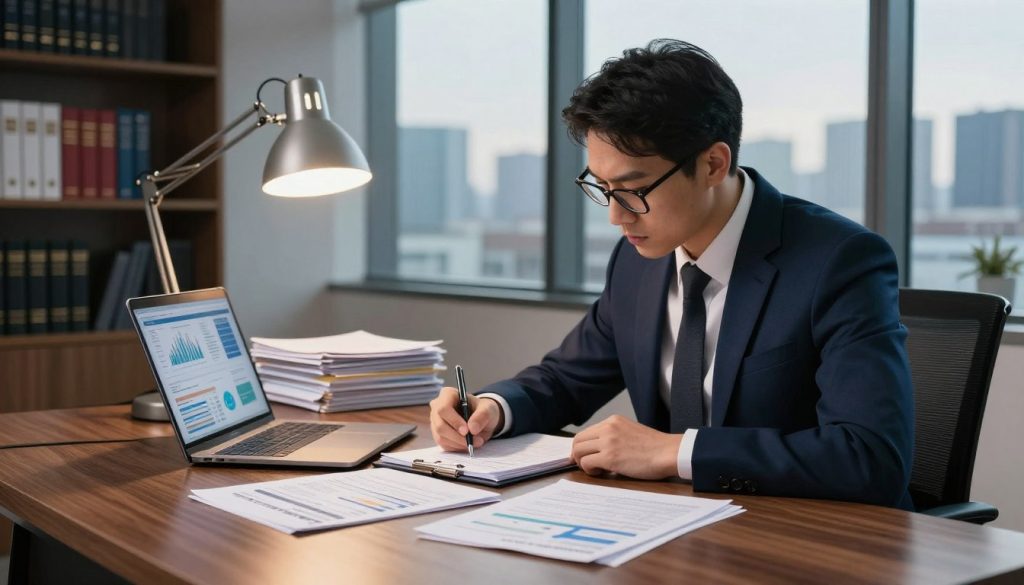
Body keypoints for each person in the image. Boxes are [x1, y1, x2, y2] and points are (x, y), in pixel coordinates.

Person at [429, 39, 914, 509]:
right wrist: (493, 407)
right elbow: (565, 379)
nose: (616, 217)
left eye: (633, 189)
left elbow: (869, 458)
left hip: (807, 539)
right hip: (673, 527)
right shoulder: (640, 261)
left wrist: (675, 451)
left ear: (712, 164)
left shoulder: (839, 261)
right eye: (602, 188)